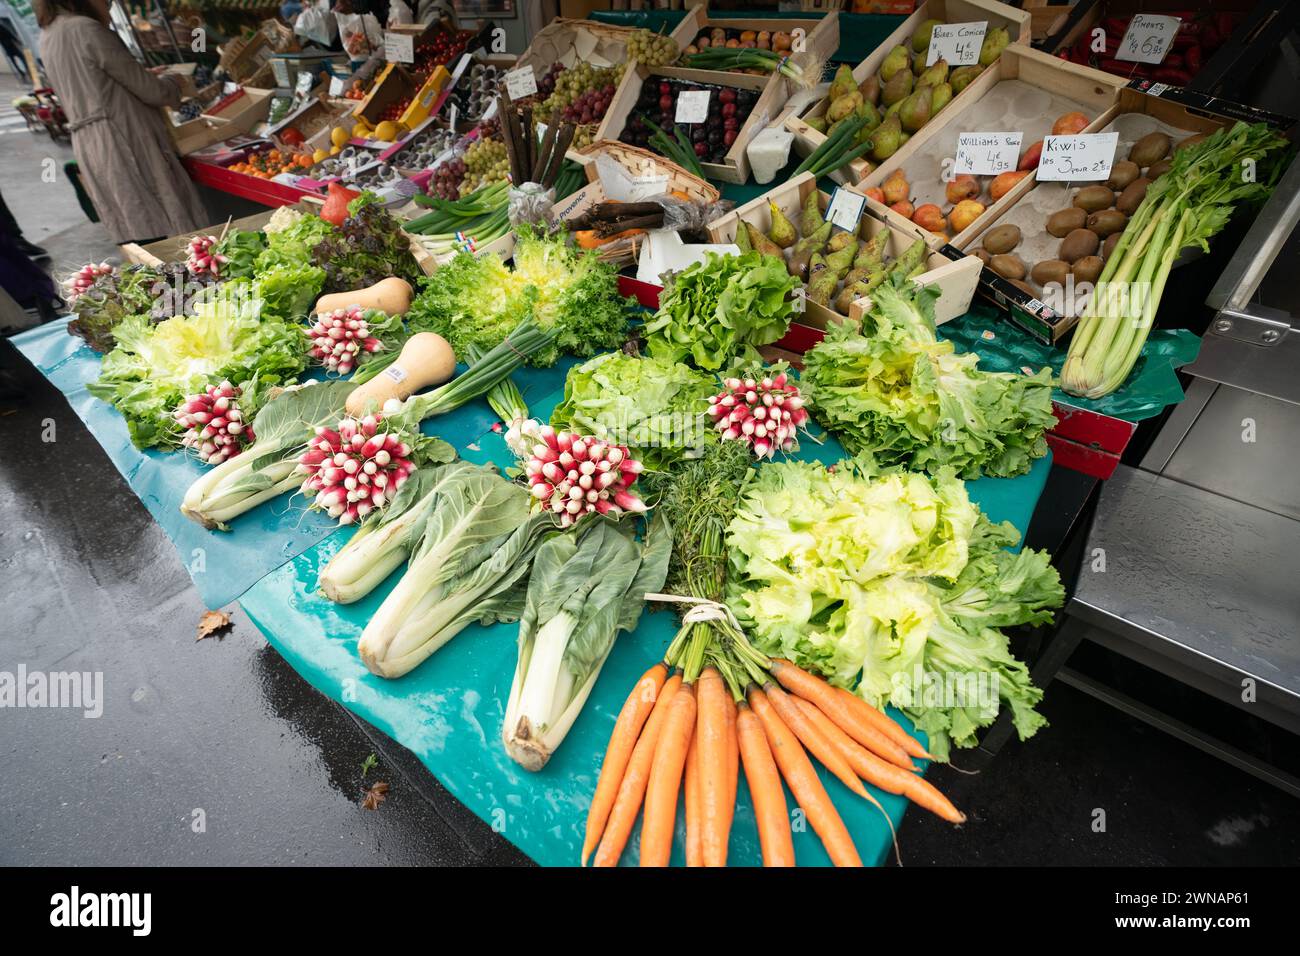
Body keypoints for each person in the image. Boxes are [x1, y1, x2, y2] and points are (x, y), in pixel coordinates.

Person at [35, 0, 209, 245]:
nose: (109, 2)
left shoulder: (47, 35)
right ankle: (185, 282)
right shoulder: (87, 29)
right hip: (123, 139)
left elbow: (95, 83)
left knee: (138, 227)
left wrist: (147, 76)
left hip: (94, 144)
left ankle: (169, 281)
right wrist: (173, 81)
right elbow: (154, 92)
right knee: (164, 227)